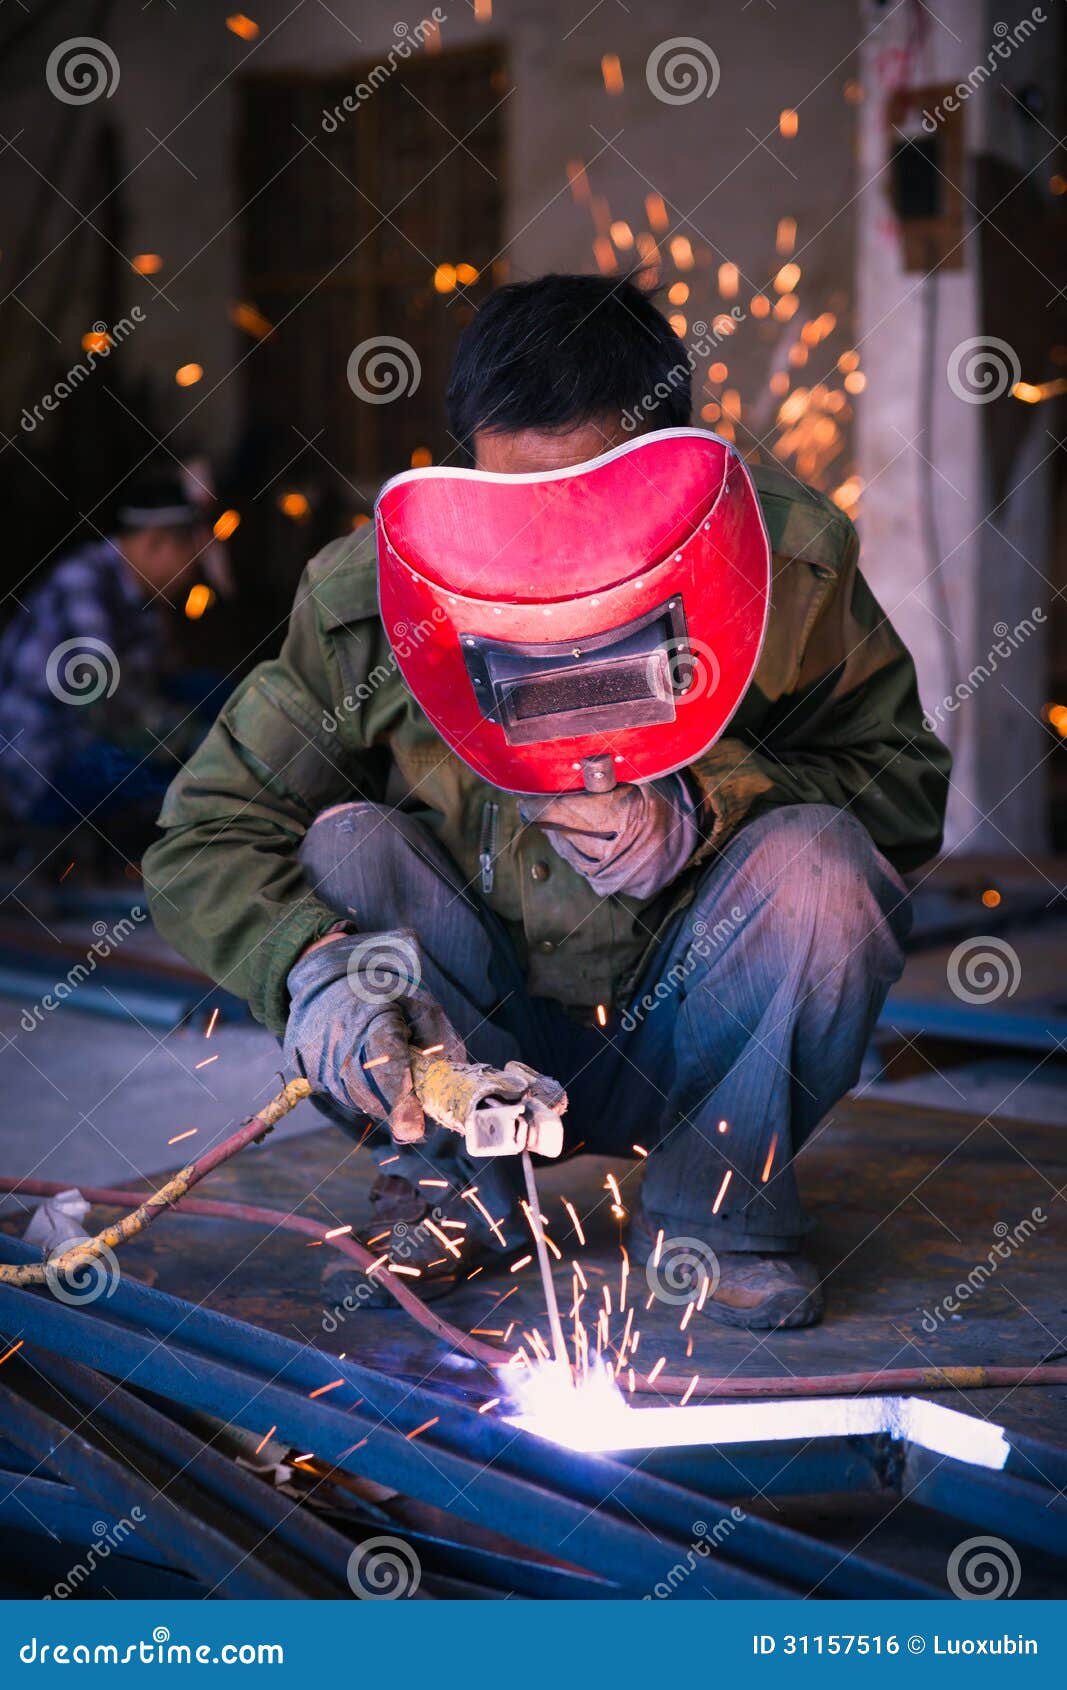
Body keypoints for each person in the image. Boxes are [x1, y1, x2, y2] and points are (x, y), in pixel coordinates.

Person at [143, 274, 950, 1329]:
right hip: (466, 1041)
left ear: (670, 467)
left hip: (698, 1028)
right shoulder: (377, 592)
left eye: (586, 506)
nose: (549, 552)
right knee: (348, 847)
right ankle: (453, 1191)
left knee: (818, 866)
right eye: (515, 507)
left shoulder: (782, 563)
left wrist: (710, 810)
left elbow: (903, 787)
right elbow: (203, 833)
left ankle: (717, 1210)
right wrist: (310, 967)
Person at [0, 469, 212, 851]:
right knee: (187, 787)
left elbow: (159, 681)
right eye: (190, 555)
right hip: (42, 763)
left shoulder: (144, 596)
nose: (195, 571)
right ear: (156, 541)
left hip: (90, 738)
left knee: (213, 693)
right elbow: (106, 699)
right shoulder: (82, 581)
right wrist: (193, 740)